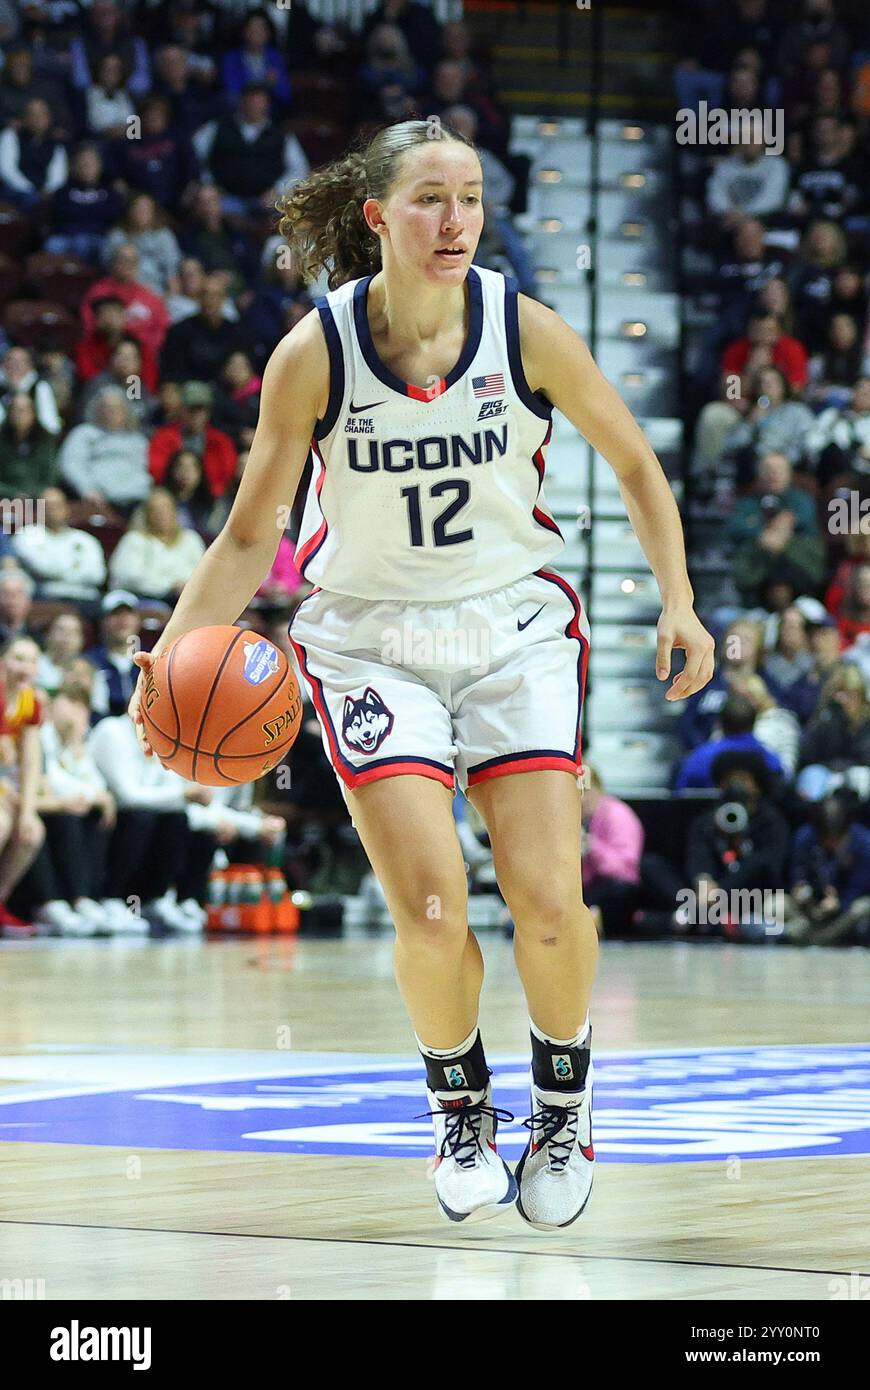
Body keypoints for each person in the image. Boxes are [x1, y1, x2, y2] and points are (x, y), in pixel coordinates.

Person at [127, 119, 715, 1230]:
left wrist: (679, 599)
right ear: (377, 216)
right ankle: (459, 1108)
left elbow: (637, 462)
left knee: (548, 902)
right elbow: (252, 535)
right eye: (432, 200)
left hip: (511, 631)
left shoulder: (522, 328)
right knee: (434, 907)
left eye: (472, 200)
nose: (456, 222)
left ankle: (563, 1106)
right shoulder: (316, 352)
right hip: (369, 642)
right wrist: (166, 659)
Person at [0, 634, 47, 931]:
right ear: (3, 661)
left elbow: (31, 762)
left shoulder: (31, 700)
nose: (25, 666)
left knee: (32, 831)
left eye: (31, 660)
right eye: (18, 658)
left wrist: (27, 810)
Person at [11, 487, 107, 606]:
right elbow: (43, 569)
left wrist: (60, 573)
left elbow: (98, 575)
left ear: (67, 508)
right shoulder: (27, 535)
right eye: (47, 505)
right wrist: (75, 567)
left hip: (85, 598)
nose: (52, 510)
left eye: (57, 505)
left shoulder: (85, 539)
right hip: (47, 597)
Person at [109, 487, 206, 602]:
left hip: (189, 600)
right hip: (145, 600)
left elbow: (204, 574)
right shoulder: (134, 540)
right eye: (155, 510)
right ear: (146, 515)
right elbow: (128, 577)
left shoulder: (191, 539)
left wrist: (186, 586)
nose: (162, 514)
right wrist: (169, 586)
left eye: (166, 508)